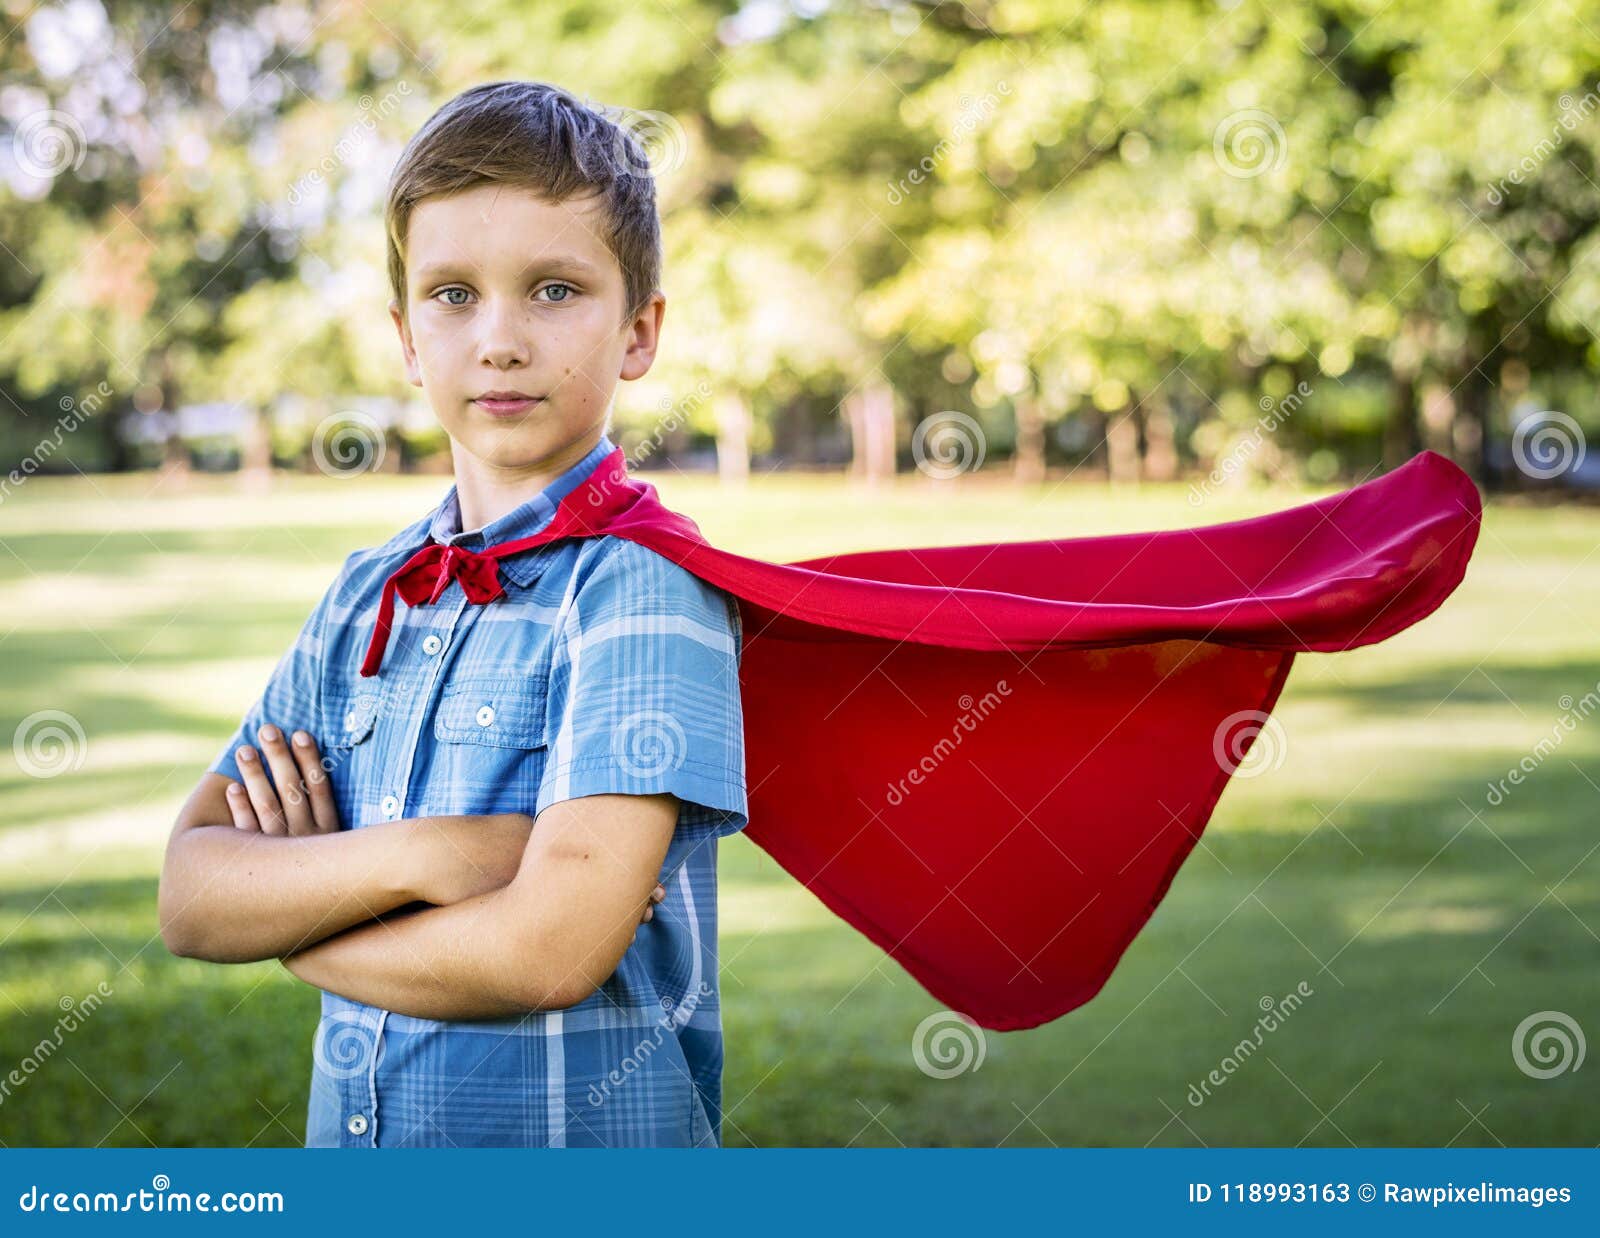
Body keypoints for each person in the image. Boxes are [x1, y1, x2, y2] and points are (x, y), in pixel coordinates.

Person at [157, 80, 748, 1148]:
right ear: (404, 335)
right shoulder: (362, 597)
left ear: (638, 331)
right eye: (453, 294)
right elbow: (193, 892)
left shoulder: (642, 588)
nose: (501, 339)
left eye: (555, 289)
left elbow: (545, 951)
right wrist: (427, 855)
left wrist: (302, 932)